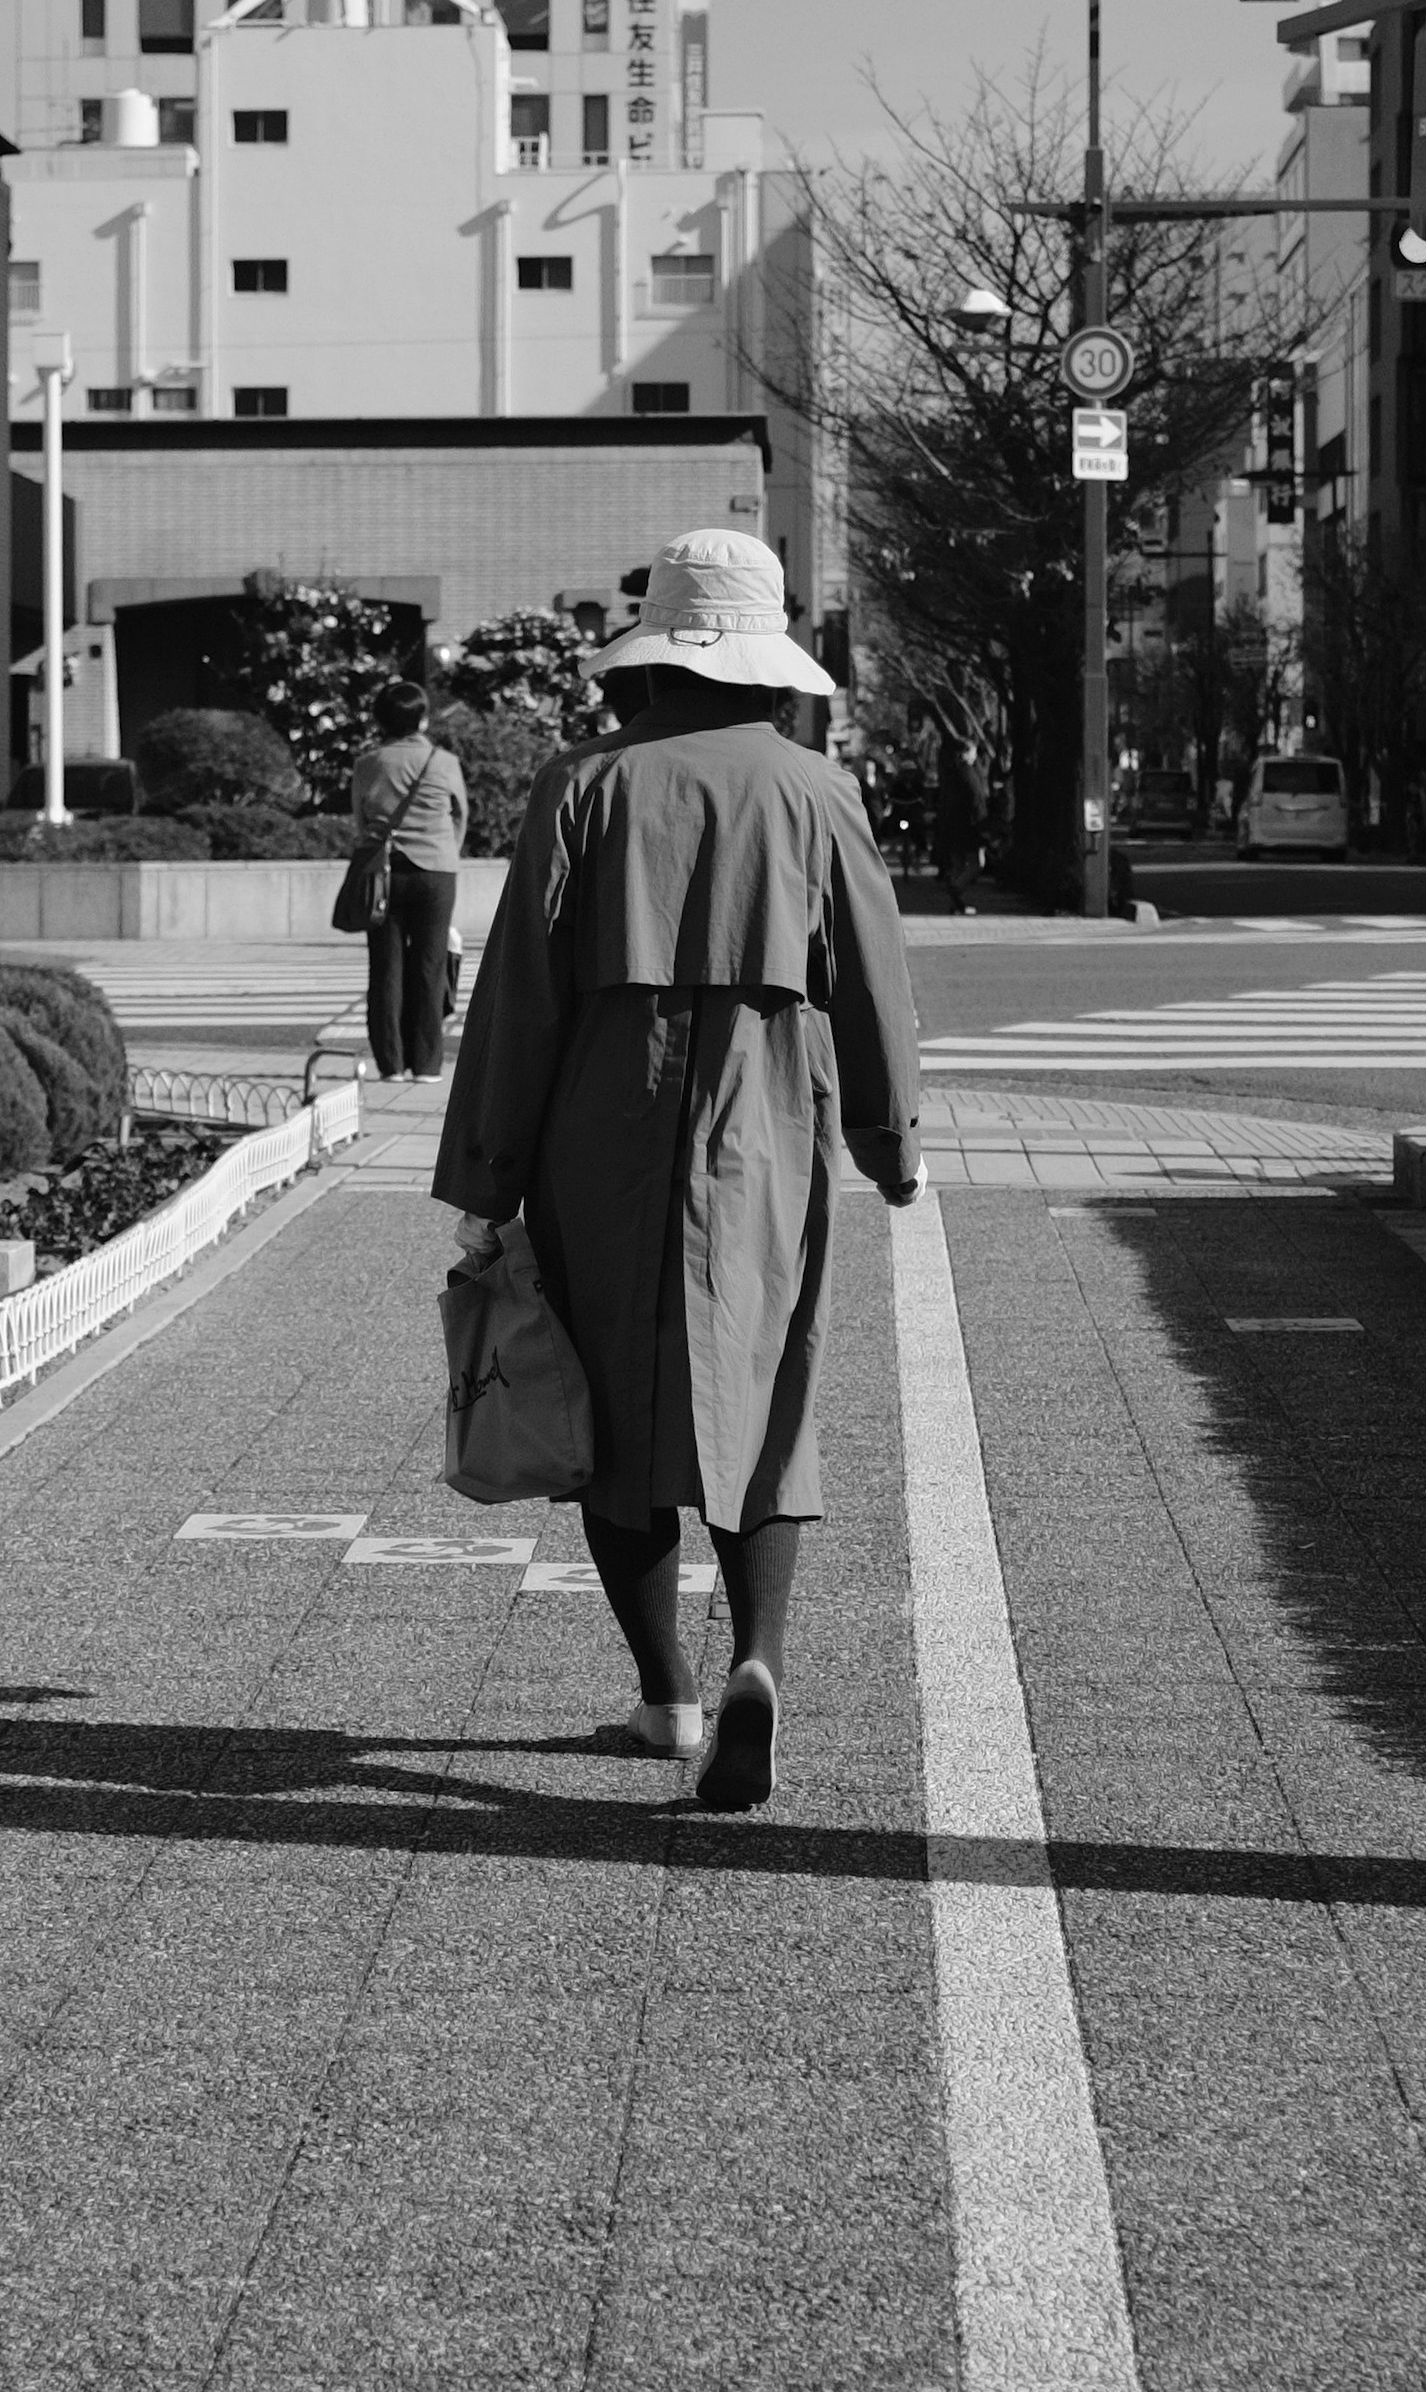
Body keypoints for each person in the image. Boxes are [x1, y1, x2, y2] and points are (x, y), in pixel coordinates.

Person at [434, 528, 922, 1813]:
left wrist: (489, 1178)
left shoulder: (581, 784)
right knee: (762, 1400)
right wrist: (890, 1141)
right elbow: (872, 982)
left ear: (654, 653)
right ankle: (758, 1659)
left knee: (611, 1413)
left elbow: (521, 999)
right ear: (767, 662)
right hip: (767, 1120)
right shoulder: (820, 794)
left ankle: (667, 1696)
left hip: (602, 1121)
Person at [348, 690, 470, 1080]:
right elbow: (460, 814)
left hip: (384, 873)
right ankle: (428, 1064)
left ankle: (392, 1064)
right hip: (436, 873)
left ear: (381, 722)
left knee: (385, 968)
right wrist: (445, 851)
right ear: (422, 720)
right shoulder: (444, 762)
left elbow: (361, 821)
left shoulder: (368, 763)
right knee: (431, 966)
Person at [930, 739, 984, 915]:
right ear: (967, 753)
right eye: (974, 752)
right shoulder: (969, 773)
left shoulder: (951, 773)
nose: (975, 756)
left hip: (952, 825)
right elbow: (976, 800)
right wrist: (982, 823)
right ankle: (956, 888)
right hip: (969, 825)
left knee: (958, 864)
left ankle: (957, 903)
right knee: (977, 863)